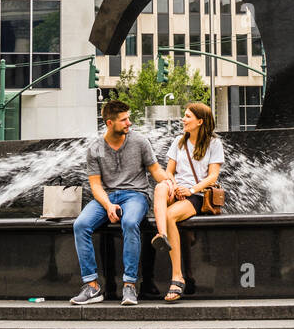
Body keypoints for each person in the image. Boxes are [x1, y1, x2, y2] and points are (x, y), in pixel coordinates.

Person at [70, 100, 169, 307]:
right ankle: (92, 286)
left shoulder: (140, 141)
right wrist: (108, 205)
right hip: (107, 197)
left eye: (128, 118)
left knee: (130, 222)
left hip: (136, 195)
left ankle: (129, 285)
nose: (129, 123)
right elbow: (96, 186)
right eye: (124, 120)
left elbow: (156, 171)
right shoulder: (95, 149)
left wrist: (171, 184)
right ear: (109, 122)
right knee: (80, 225)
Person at [150, 102, 223, 302]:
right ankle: (162, 234)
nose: (183, 119)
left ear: (200, 121)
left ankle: (177, 276)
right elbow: (169, 172)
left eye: (188, 116)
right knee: (160, 187)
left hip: (196, 195)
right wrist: (173, 184)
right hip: (177, 191)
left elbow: (212, 177)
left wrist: (190, 189)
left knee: (170, 215)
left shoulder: (213, 144)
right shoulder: (179, 142)